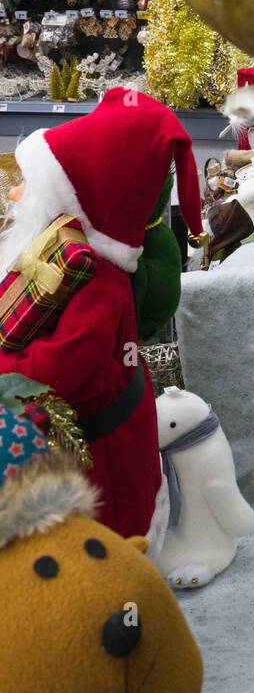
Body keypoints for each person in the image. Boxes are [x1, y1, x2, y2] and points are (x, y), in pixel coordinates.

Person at [0, 89, 203, 545]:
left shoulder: (98, 282)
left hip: (103, 471)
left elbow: (64, 368)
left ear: (76, 201)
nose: (16, 195)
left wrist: (5, 372)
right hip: (93, 442)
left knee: (104, 562)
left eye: (32, 187)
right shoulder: (74, 251)